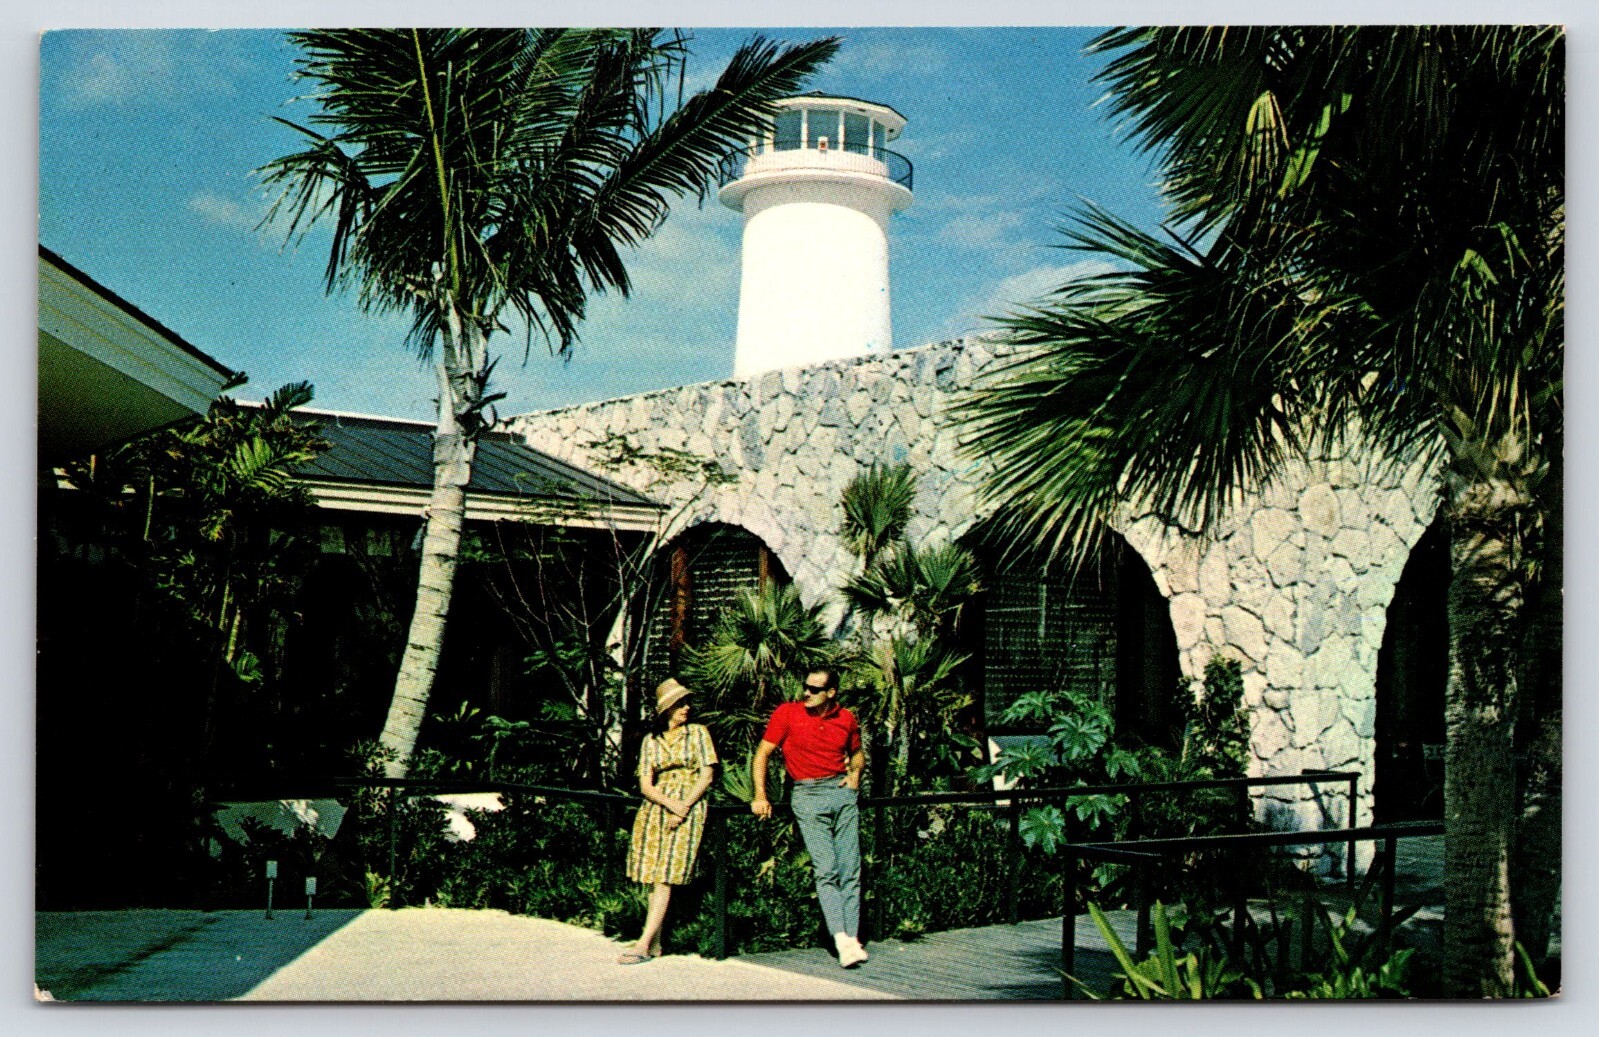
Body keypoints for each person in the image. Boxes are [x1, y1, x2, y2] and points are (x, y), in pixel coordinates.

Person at [750, 667, 869, 968]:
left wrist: (855, 775)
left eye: (815, 689)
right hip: (807, 795)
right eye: (805, 687)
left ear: (831, 693)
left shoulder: (846, 718)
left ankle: (851, 939)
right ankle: (841, 939)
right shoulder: (787, 713)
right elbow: (762, 754)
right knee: (826, 868)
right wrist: (760, 796)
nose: (807, 693)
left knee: (850, 868)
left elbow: (857, 754)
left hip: (841, 794)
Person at [617, 678, 718, 964]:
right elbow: (645, 784)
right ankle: (656, 943)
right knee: (652, 875)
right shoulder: (651, 740)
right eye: (679, 704)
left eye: (686, 703)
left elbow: (706, 774)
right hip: (657, 806)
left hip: (689, 804)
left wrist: (683, 807)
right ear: (666, 709)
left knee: (665, 876)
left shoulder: (698, 733)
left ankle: (643, 942)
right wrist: (670, 804)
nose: (686, 708)